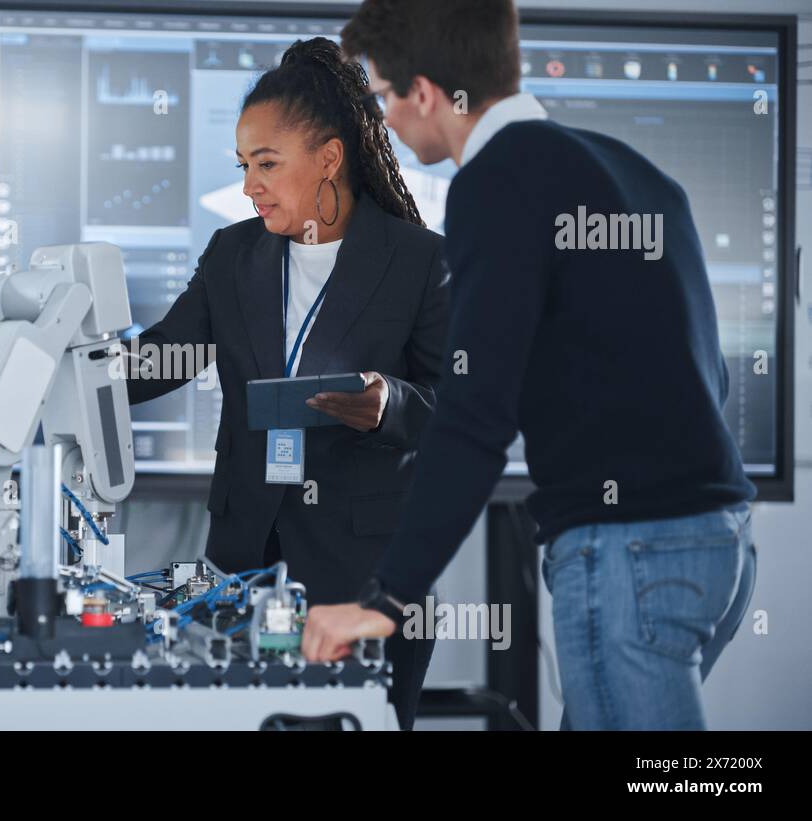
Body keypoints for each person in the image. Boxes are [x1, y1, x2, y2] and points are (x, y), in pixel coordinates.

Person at [302, 0, 758, 731]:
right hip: (718, 543)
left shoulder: (496, 183)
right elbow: (710, 371)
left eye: (384, 95)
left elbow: (475, 415)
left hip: (629, 553)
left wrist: (387, 598)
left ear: (425, 93)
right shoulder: (632, 172)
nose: (382, 118)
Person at [126, 38, 449, 729]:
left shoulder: (419, 260)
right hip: (239, 570)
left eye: (267, 164)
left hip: (364, 578)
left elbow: (458, 408)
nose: (250, 186)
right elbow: (163, 359)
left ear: (328, 158)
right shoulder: (232, 253)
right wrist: (65, 365)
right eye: (244, 165)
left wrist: (385, 404)